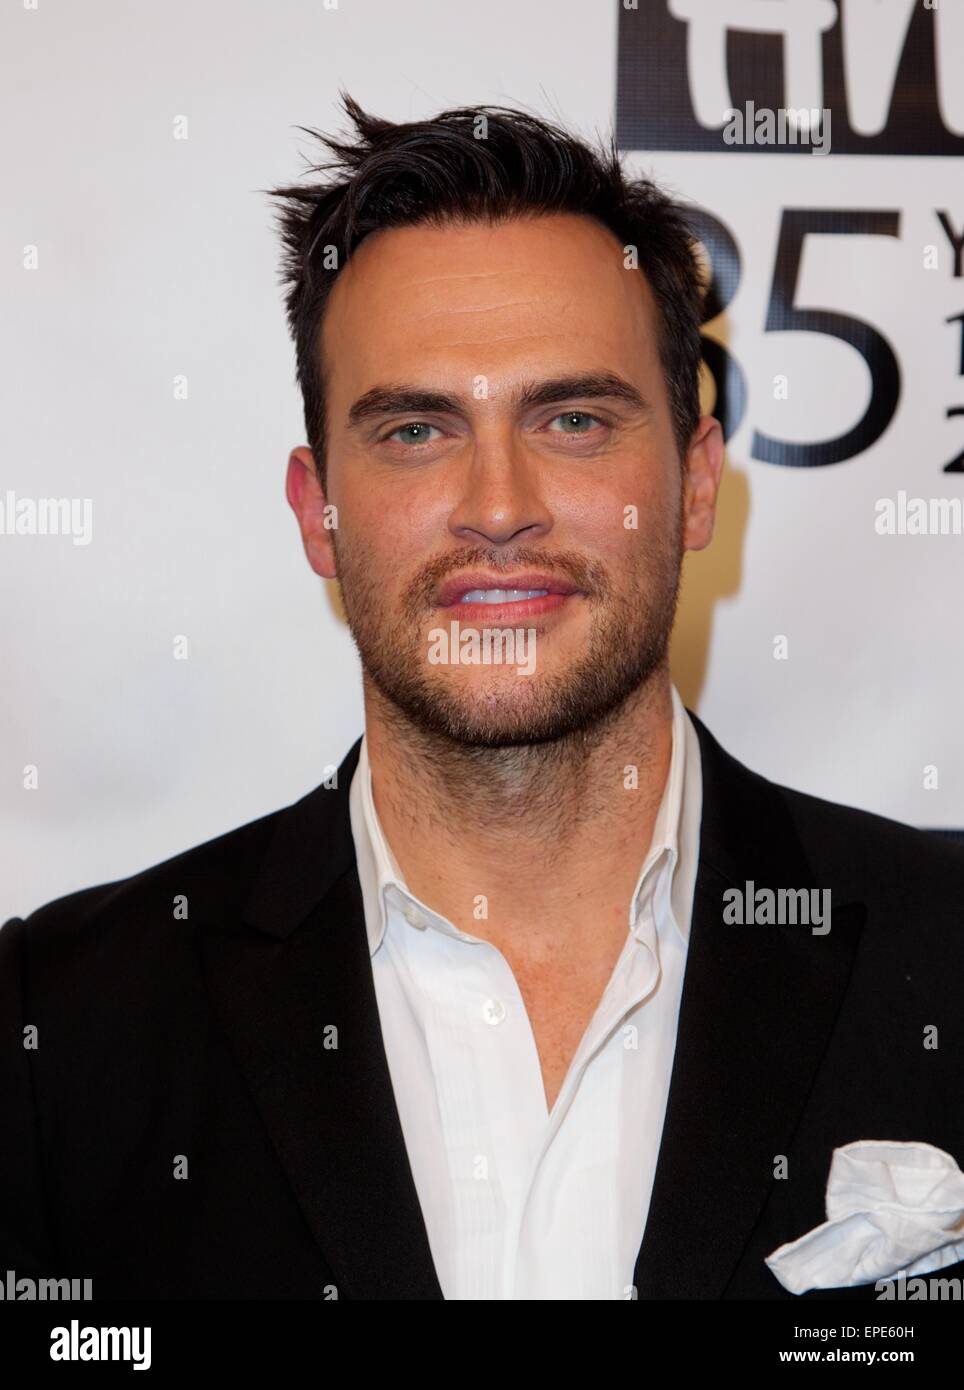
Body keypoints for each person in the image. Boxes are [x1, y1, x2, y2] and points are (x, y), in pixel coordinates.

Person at [2, 93, 962, 1302]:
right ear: (317, 510)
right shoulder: (61, 1032)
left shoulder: (944, 954)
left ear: (697, 482)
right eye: (414, 429)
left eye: (570, 419)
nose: (497, 504)